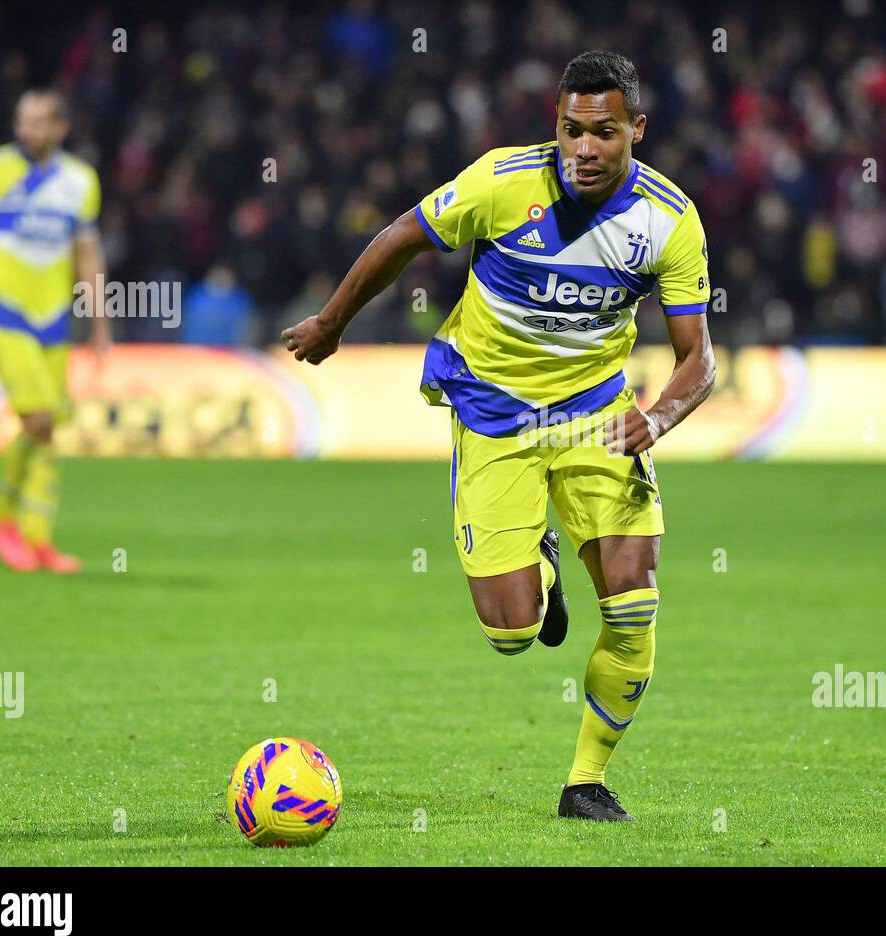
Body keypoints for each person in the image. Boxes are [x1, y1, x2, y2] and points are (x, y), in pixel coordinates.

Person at [282, 51, 715, 822]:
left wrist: (654, 418)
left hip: (596, 416)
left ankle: (586, 781)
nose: (583, 148)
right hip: (493, 411)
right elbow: (402, 236)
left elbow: (699, 359)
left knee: (633, 607)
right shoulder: (500, 182)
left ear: (637, 131)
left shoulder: (670, 221)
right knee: (513, 632)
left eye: (604, 132)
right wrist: (330, 322)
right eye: (571, 130)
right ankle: (539, 568)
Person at [0, 89, 109, 573]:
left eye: (36, 122)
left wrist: (100, 323)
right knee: (40, 420)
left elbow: (87, 254)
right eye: (21, 120)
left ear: (60, 128)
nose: (25, 130)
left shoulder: (80, 180)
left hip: (52, 316)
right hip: (0, 311)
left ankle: (39, 539)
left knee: (50, 428)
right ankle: (5, 521)